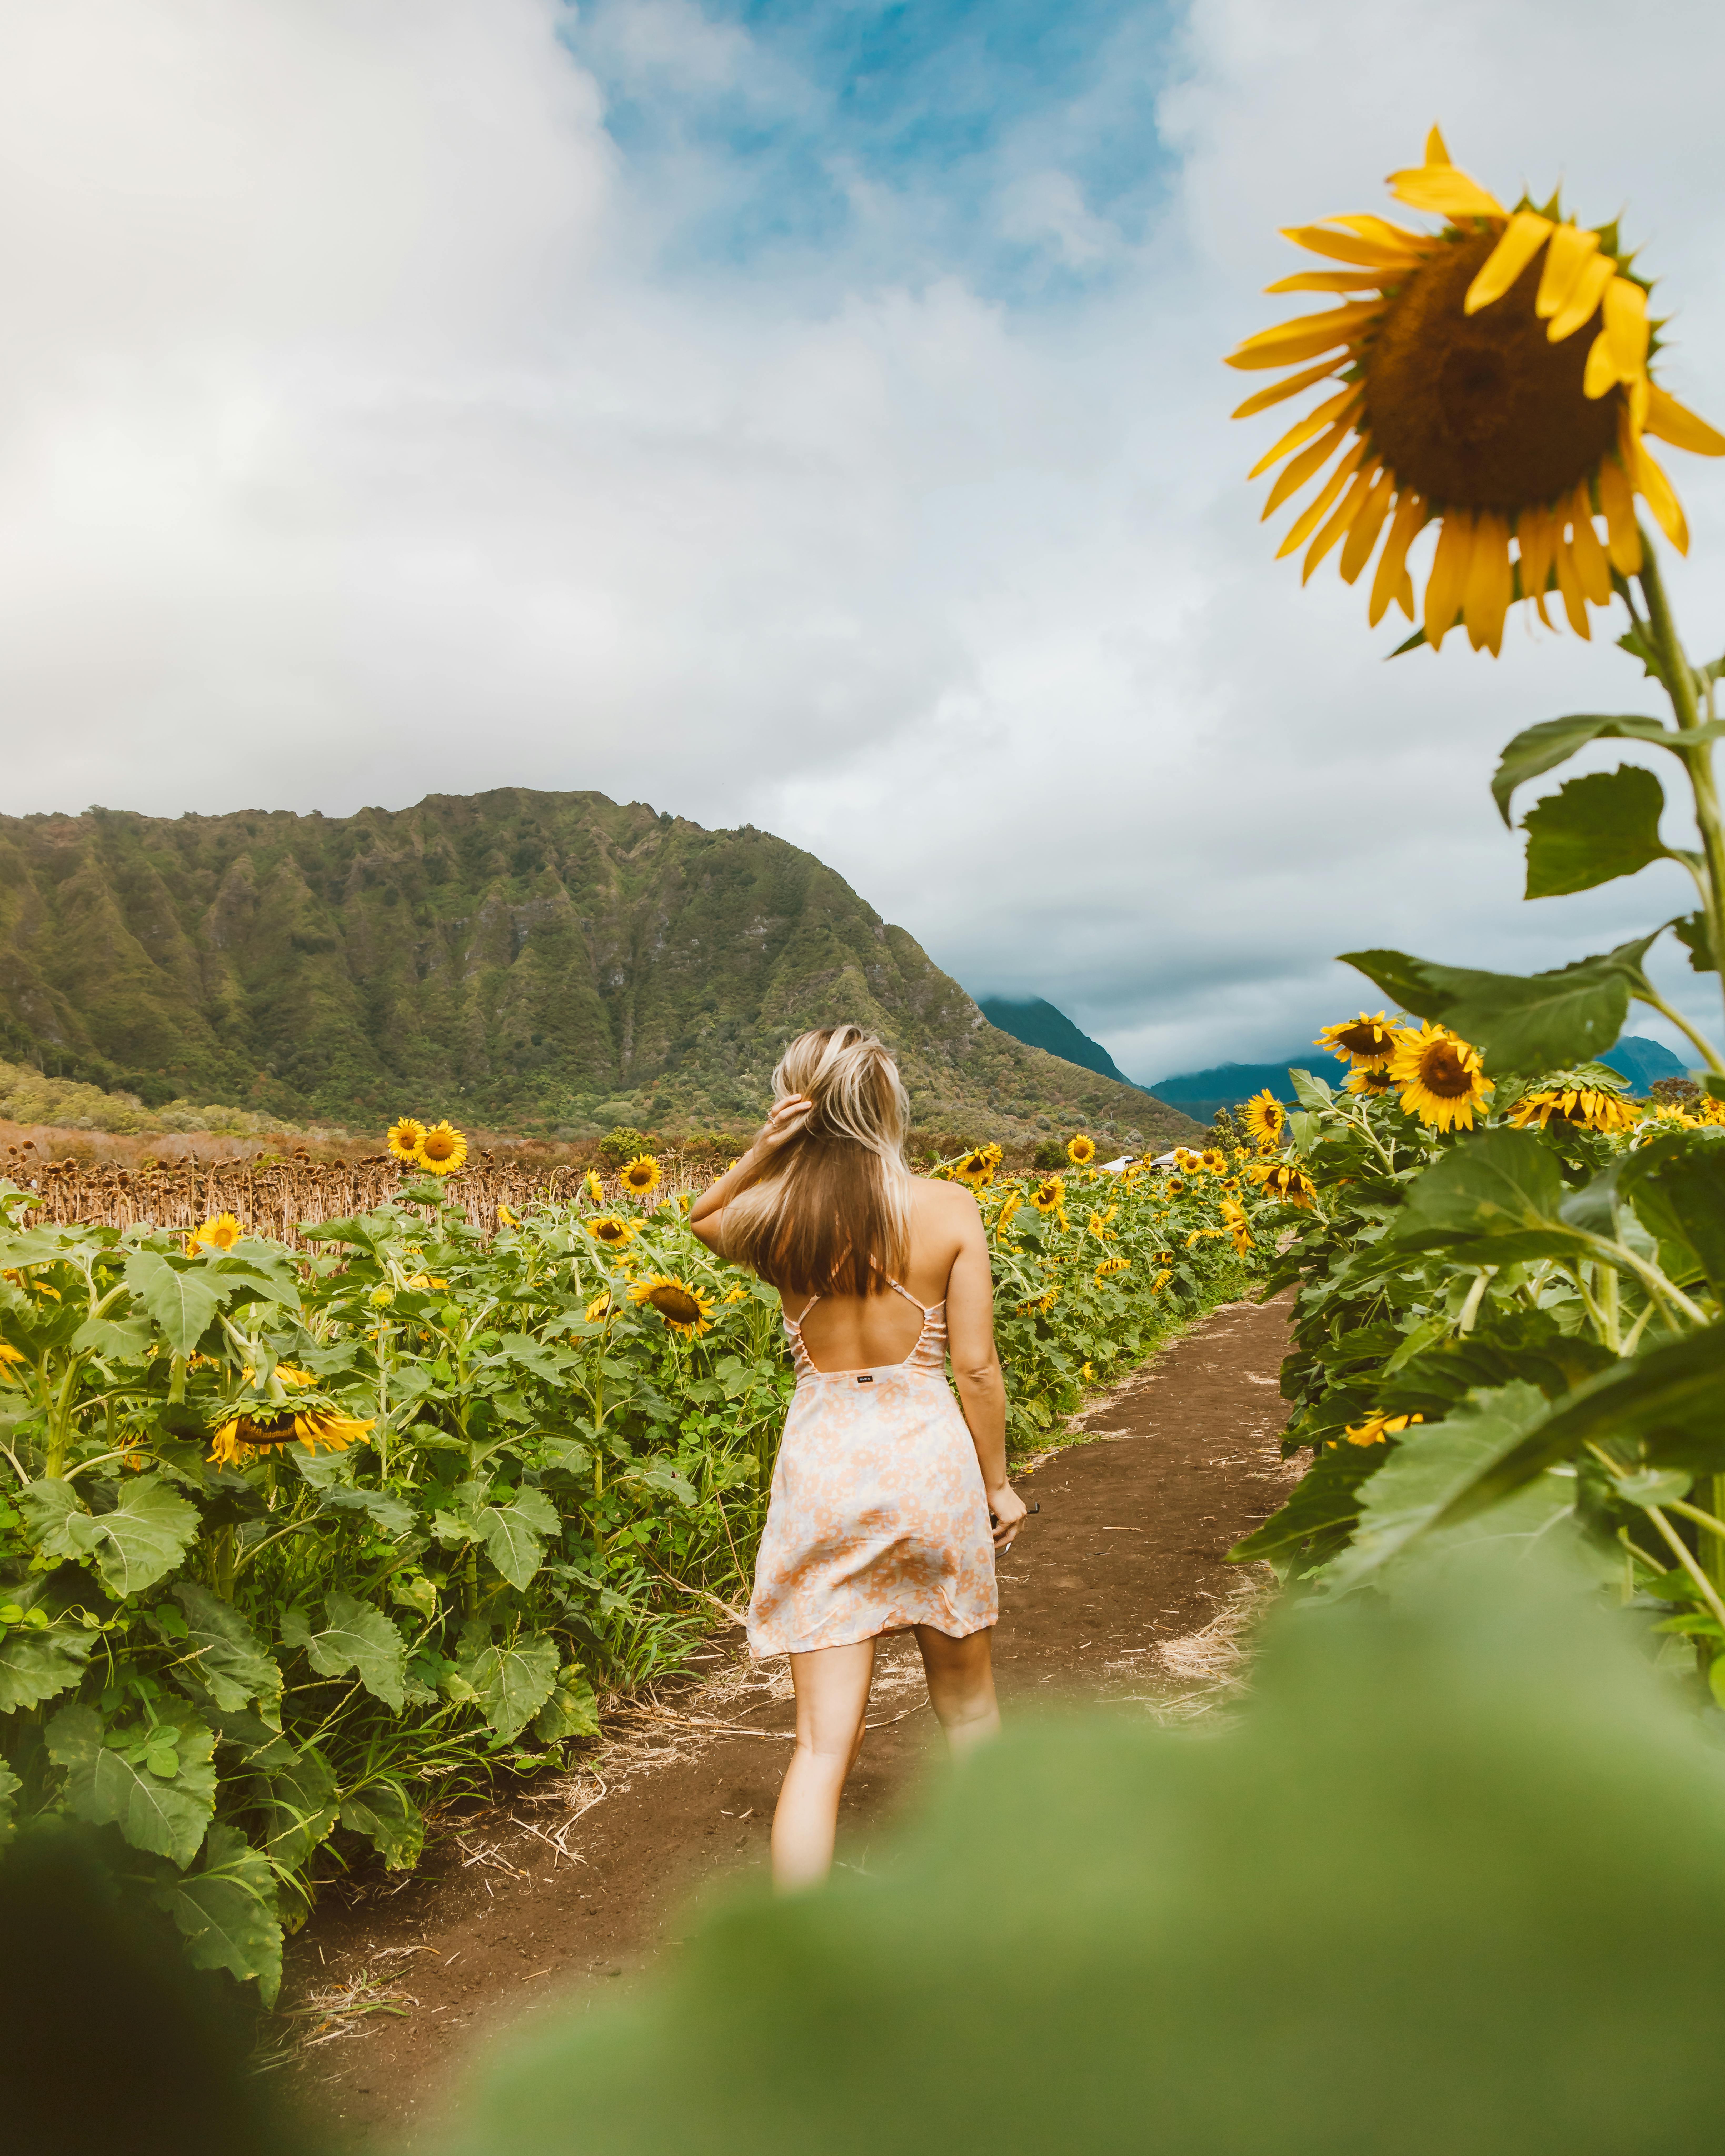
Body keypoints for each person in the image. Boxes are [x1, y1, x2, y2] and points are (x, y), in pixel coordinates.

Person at [690, 1024, 1028, 1890]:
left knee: (817, 1745)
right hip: (928, 1463)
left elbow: (700, 1219)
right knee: (969, 1708)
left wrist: (764, 1153)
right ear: (888, 1104)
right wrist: (997, 1485)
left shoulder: (773, 1220)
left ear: (799, 1107)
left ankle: (798, 1947)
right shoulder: (948, 1207)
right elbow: (977, 1367)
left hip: (825, 1467)